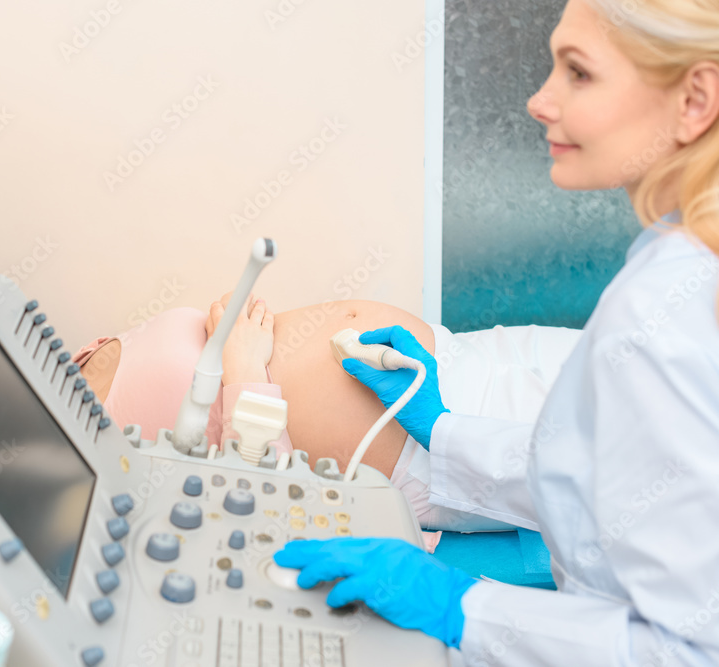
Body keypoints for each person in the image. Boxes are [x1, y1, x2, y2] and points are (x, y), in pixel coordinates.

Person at [273, 0, 719, 663]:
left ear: (694, 100)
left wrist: (462, 607)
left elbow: (684, 650)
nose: (540, 100)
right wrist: (443, 430)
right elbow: (627, 483)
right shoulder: (678, 258)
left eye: (579, 74)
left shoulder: (669, 308)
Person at [75, 296, 581, 535]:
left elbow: (270, 505)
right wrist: (243, 364)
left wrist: (245, 363)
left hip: (455, 393)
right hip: (460, 396)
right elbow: (258, 503)